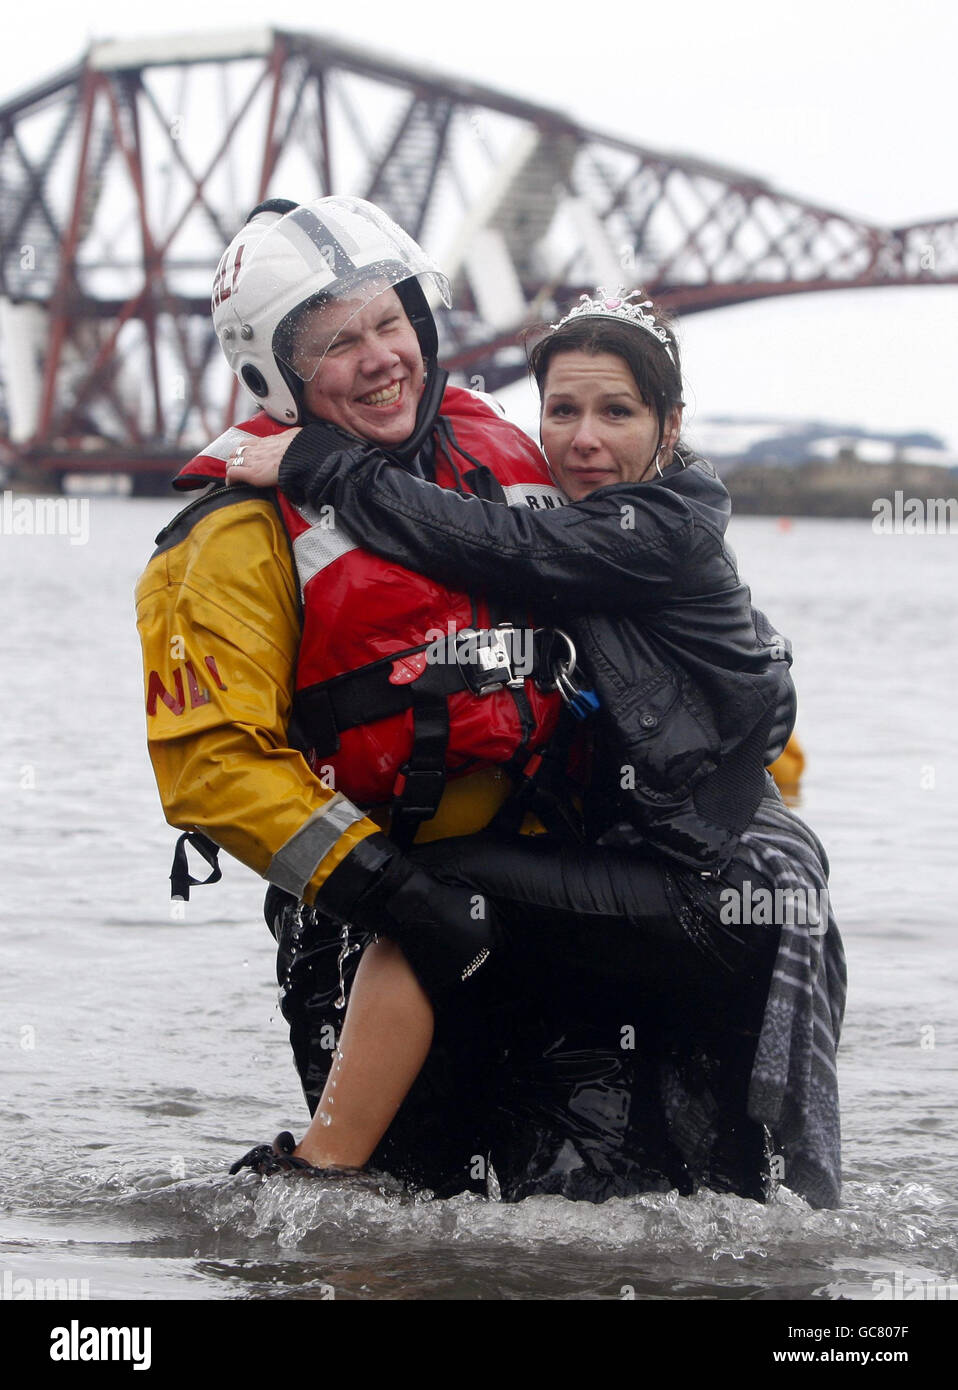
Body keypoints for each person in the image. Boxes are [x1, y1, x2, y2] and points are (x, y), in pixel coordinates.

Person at [226, 289, 846, 1209]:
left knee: (433, 899)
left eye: (617, 412)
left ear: (670, 426)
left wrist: (325, 464)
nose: (585, 438)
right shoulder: (624, 516)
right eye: (562, 410)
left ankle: (321, 1173)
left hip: (722, 874)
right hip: (708, 856)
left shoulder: (655, 527)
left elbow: (501, 543)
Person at [136, 196, 634, 1200]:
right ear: (275, 375)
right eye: (332, 342)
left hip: (561, 889)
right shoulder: (232, 535)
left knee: (592, 1208)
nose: (377, 358)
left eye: (387, 323)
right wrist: (394, 896)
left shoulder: (516, 457)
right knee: (401, 1217)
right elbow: (211, 767)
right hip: (378, 924)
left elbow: (653, 634)